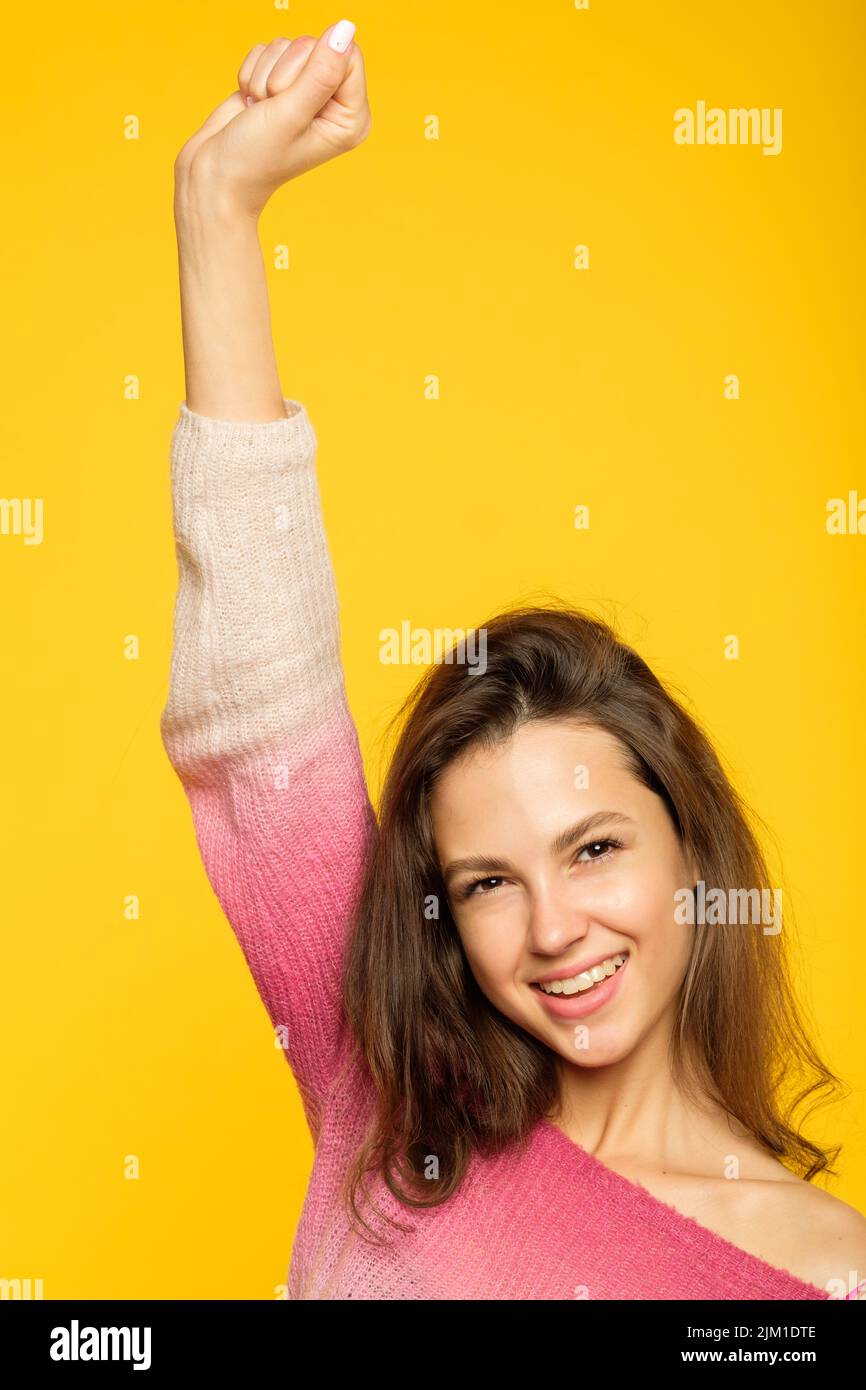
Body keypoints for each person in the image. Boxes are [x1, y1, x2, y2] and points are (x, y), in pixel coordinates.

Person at [160, 20, 866, 1299]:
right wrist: (217, 206)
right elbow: (255, 701)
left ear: (689, 843)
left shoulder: (819, 1277)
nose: (551, 929)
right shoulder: (382, 1095)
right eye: (486, 882)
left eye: (593, 847)